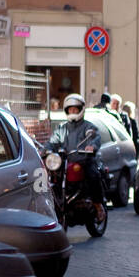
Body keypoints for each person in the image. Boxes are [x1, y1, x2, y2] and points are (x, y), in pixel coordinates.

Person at [46, 94, 105, 222]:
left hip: (84, 160)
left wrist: (92, 146)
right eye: (70, 109)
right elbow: (53, 140)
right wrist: (45, 149)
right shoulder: (62, 128)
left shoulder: (88, 127)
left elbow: (95, 137)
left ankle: (98, 205)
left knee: (93, 175)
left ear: (81, 110)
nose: (72, 111)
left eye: (75, 109)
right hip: (65, 162)